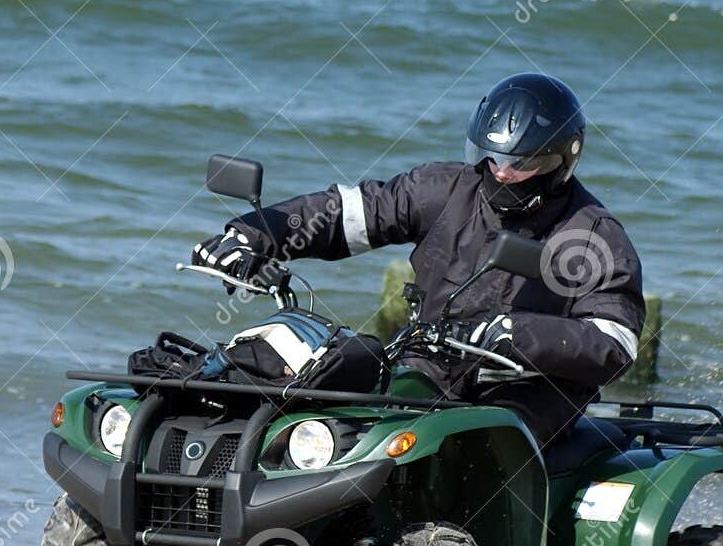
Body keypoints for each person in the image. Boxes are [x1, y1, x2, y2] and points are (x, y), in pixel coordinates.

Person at [189, 73, 644, 448]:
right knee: (341, 420)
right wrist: (251, 236)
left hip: (532, 384)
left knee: (484, 447)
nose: (501, 173)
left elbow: (616, 341)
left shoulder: (591, 234)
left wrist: (514, 334)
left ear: (563, 160)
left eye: (521, 164)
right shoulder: (443, 189)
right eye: (492, 157)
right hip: (432, 357)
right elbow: (349, 212)